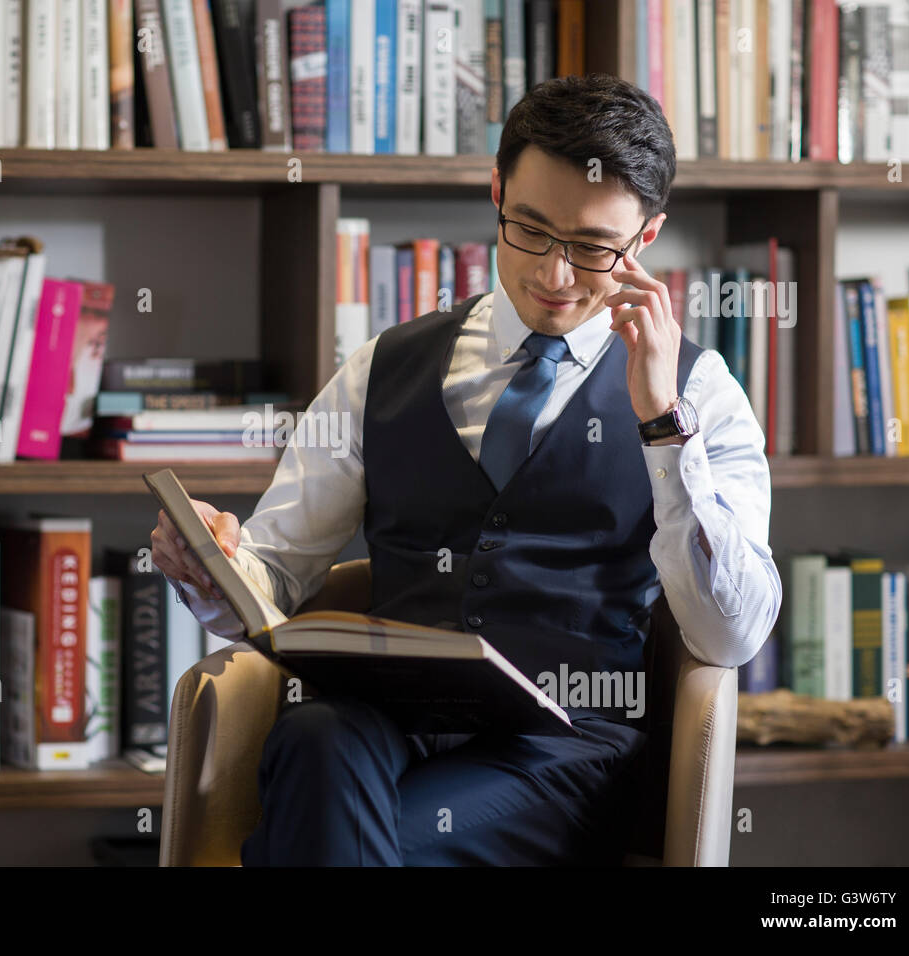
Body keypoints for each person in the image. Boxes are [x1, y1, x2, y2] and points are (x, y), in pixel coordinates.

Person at [149, 73, 781, 866]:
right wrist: (209, 563)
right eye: (529, 229)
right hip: (379, 718)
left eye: (591, 248)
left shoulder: (700, 394)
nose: (554, 275)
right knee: (313, 735)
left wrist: (661, 424)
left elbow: (732, 632)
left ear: (647, 237)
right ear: (495, 191)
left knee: (334, 841)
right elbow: (274, 569)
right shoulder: (385, 365)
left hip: (562, 747)